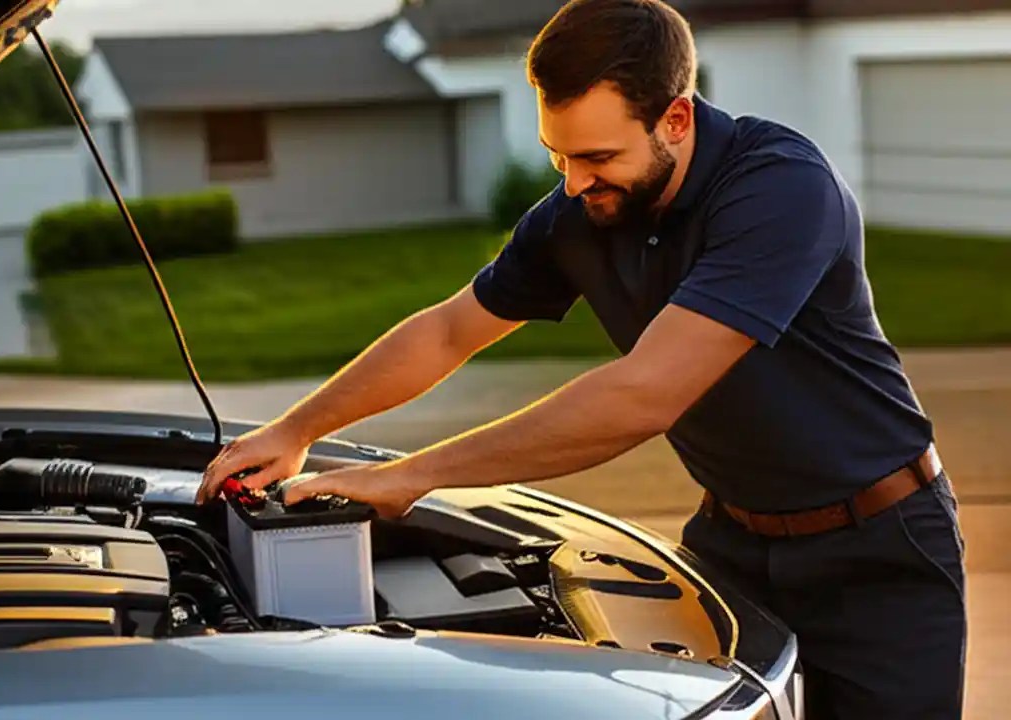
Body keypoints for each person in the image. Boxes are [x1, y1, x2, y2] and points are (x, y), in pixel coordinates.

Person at [197, 0, 966, 716]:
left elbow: (642, 397)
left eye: (597, 155)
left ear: (675, 116)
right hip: (731, 542)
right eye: (557, 156)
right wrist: (296, 430)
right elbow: (448, 331)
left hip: (877, 551)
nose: (574, 182)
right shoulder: (579, 210)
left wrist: (412, 476)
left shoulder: (779, 189)